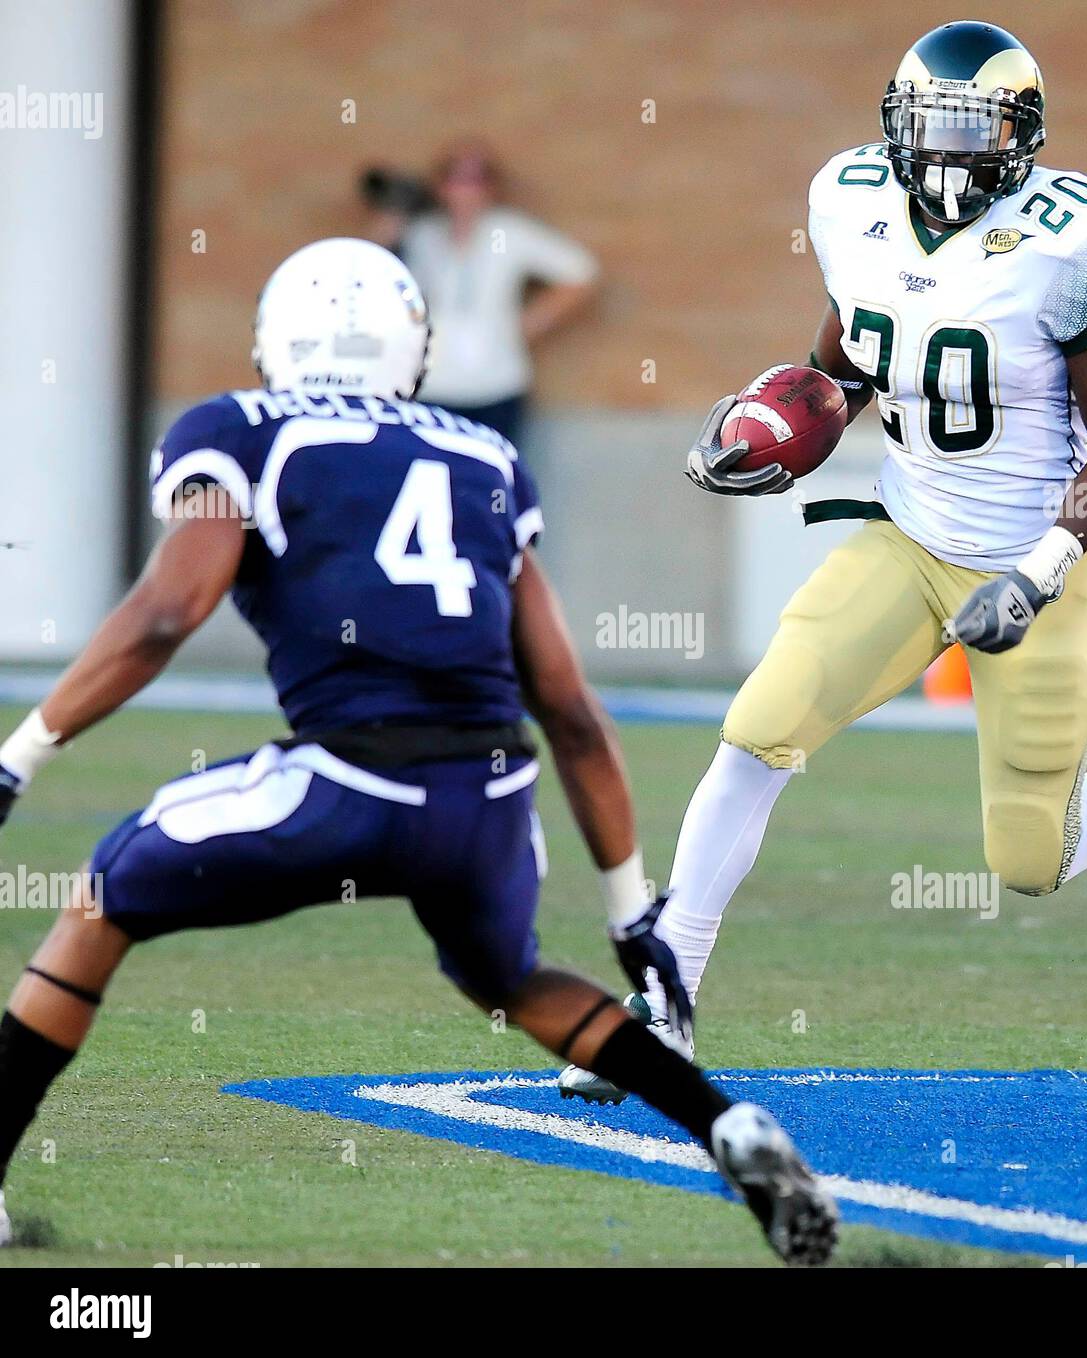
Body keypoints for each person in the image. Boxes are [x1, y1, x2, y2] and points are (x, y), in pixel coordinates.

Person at [0, 238, 836, 1265]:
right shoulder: (482, 453)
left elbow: (169, 609)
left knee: (99, 900)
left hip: (343, 777)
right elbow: (569, 705)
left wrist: (22, 752)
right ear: (415, 345)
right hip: (486, 795)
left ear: (276, 339)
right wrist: (631, 912)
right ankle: (723, 1123)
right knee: (513, 981)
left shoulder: (234, 429)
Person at [560, 21, 1087, 1103]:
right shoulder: (851, 202)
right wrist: (773, 430)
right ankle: (666, 1006)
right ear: (894, 122)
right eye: (930, 126)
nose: (947, 153)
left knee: (1033, 862)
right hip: (906, 538)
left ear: (1019, 139)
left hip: (1030, 561)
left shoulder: (1077, 241)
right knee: (755, 728)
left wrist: (1038, 570)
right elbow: (846, 364)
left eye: (973, 130)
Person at [375, 141, 598, 446]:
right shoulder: (422, 234)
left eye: (476, 180)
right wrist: (388, 229)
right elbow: (380, 281)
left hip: (495, 384)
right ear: (440, 186)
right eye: (455, 179)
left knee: (493, 477)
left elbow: (581, 272)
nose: (464, 190)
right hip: (431, 385)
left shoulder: (509, 232)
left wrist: (527, 325)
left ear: (492, 188)